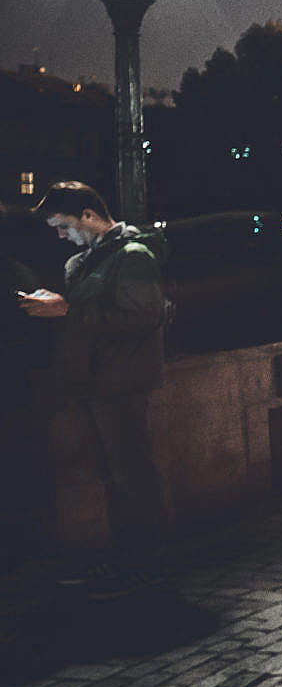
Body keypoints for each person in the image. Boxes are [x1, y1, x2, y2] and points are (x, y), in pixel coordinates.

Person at [20, 183, 170, 593]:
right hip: (95, 382)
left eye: (64, 226)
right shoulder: (86, 262)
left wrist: (67, 309)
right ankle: (126, 561)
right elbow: (91, 317)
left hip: (121, 383)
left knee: (131, 476)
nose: (61, 236)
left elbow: (141, 317)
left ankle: (145, 563)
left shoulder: (133, 256)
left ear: (89, 215)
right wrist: (59, 304)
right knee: (113, 476)